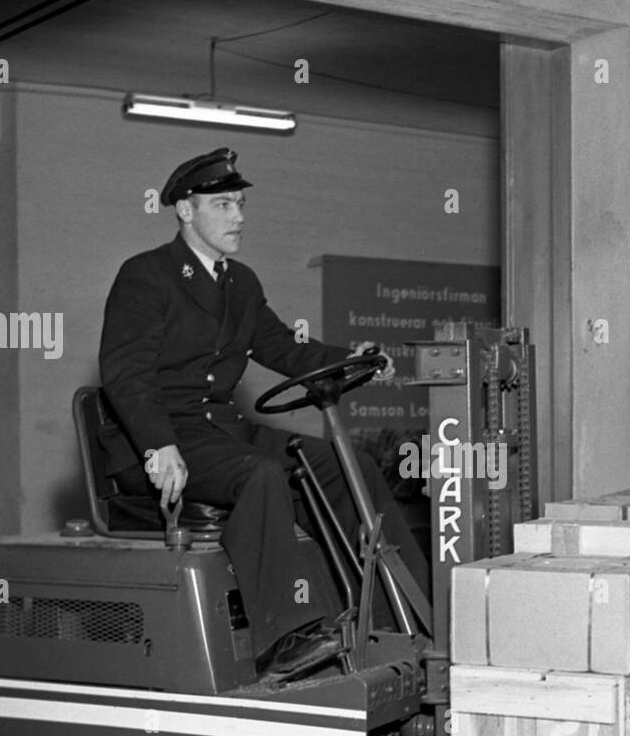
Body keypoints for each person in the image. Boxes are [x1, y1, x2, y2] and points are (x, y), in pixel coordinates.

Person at [97, 147, 428, 680]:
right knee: (263, 474)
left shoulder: (240, 282)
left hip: (220, 434)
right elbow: (125, 373)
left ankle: (406, 617)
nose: (239, 217)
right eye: (224, 205)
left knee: (350, 467)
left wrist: (352, 359)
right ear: (185, 210)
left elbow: (284, 349)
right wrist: (158, 446)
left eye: (241, 205)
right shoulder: (146, 276)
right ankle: (284, 637)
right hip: (160, 438)